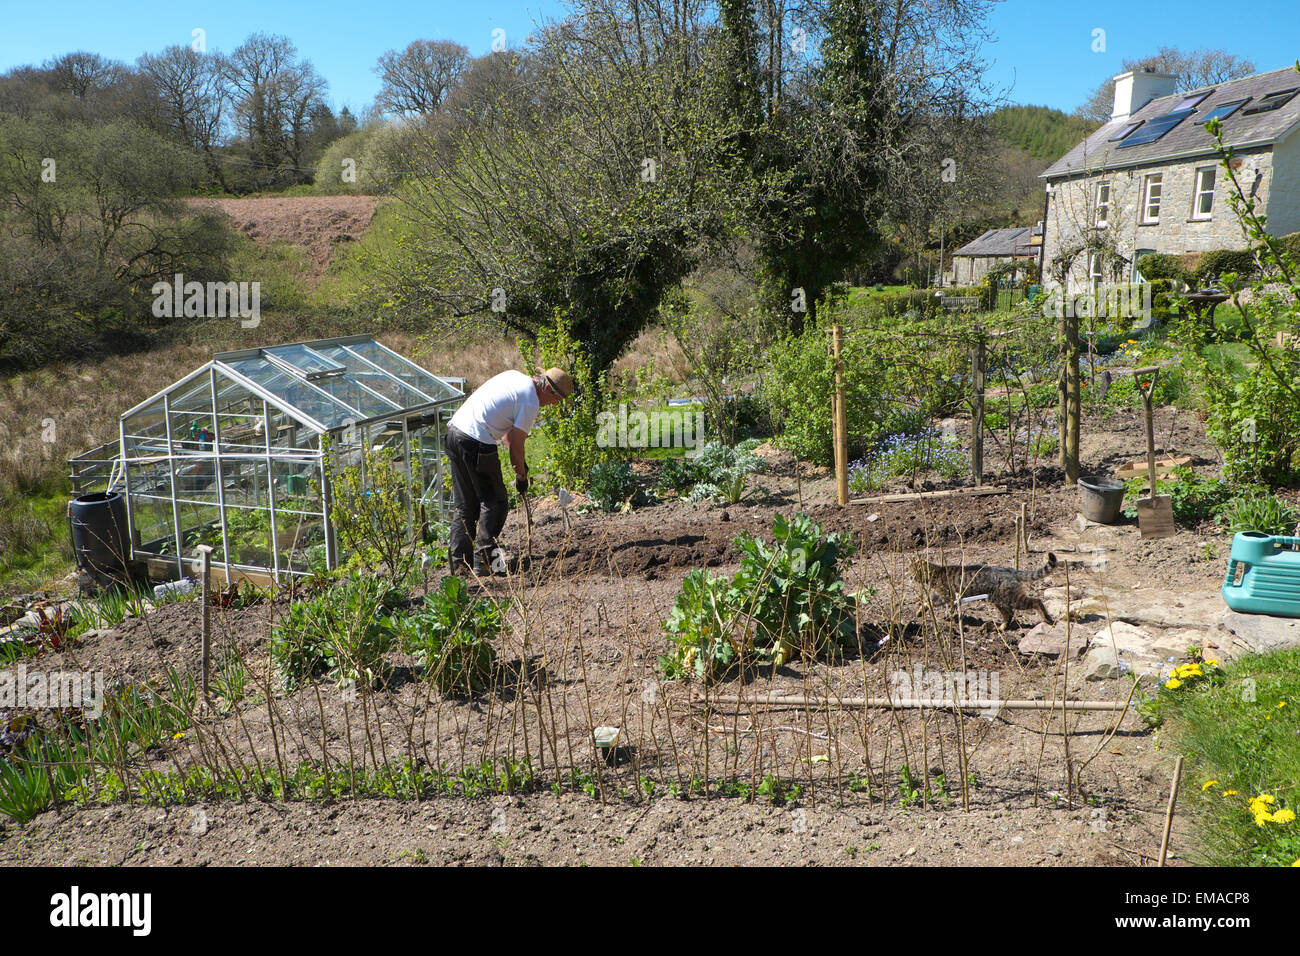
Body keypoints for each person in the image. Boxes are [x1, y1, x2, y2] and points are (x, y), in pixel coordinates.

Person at [445, 366, 574, 575]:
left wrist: (520, 464)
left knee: (466, 505)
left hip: (454, 433)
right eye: (555, 401)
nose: (551, 405)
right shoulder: (530, 400)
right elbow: (516, 444)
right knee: (495, 501)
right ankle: (485, 562)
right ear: (549, 390)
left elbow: (507, 434)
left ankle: (460, 566)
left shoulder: (513, 377)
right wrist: (521, 476)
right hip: (475, 440)